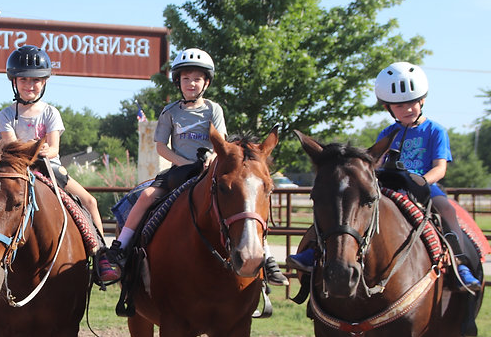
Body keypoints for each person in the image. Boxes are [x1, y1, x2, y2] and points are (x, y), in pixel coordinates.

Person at [287, 61, 481, 291]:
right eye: (399, 106)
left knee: (446, 209)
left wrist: (424, 180)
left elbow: (441, 168)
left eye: (411, 103)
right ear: (388, 108)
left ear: (422, 100)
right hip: (389, 185)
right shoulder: (387, 133)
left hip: (423, 186)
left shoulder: (435, 131)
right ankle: (314, 251)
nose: (407, 109)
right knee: (345, 207)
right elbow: (374, 165)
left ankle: (460, 263)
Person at [0, 45, 120, 284]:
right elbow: (11, 147)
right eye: (23, 79)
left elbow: (54, 148)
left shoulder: (51, 113)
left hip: (49, 168)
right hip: (16, 168)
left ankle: (100, 255)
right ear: (14, 82)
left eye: (36, 80)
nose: (29, 85)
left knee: (88, 201)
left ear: (44, 83)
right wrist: (30, 149)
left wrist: (44, 150)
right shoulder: (5, 115)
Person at [110, 48, 288, 285]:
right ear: (178, 82)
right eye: (186, 78)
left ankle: (266, 258)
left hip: (209, 169)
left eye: (197, 79)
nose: (191, 83)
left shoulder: (213, 109)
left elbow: (221, 143)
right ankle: (120, 249)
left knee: (243, 202)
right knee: (146, 196)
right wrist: (185, 163)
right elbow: (161, 147)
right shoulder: (170, 112)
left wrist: (209, 160)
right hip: (180, 170)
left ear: (206, 82)